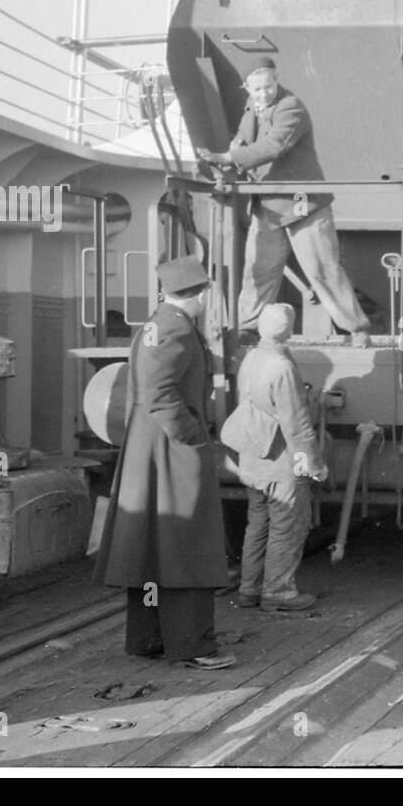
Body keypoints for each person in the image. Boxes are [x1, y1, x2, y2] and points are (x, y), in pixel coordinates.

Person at [93, 256, 236, 669]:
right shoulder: (176, 328)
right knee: (186, 542)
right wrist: (193, 436)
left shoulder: (156, 323)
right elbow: (160, 393)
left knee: (152, 547)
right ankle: (192, 645)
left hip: (148, 445)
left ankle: (148, 638)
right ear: (200, 293)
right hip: (171, 447)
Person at [198, 56, 371, 348]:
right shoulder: (251, 111)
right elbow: (242, 144)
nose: (264, 93)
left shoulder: (291, 107)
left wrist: (227, 158)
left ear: (277, 80)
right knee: (258, 271)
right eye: (257, 89)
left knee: (322, 270)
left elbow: (274, 145)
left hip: (303, 205)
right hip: (268, 206)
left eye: (269, 86)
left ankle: (357, 329)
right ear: (246, 89)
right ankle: (248, 328)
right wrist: (219, 163)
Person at [221, 303, 329, 612]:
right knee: (287, 523)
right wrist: (315, 465)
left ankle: (249, 589)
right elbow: (297, 423)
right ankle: (278, 592)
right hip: (280, 456)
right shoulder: (282, 367)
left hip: (253, 453)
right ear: (290, 330)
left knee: (257, 522)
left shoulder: (251, 357)